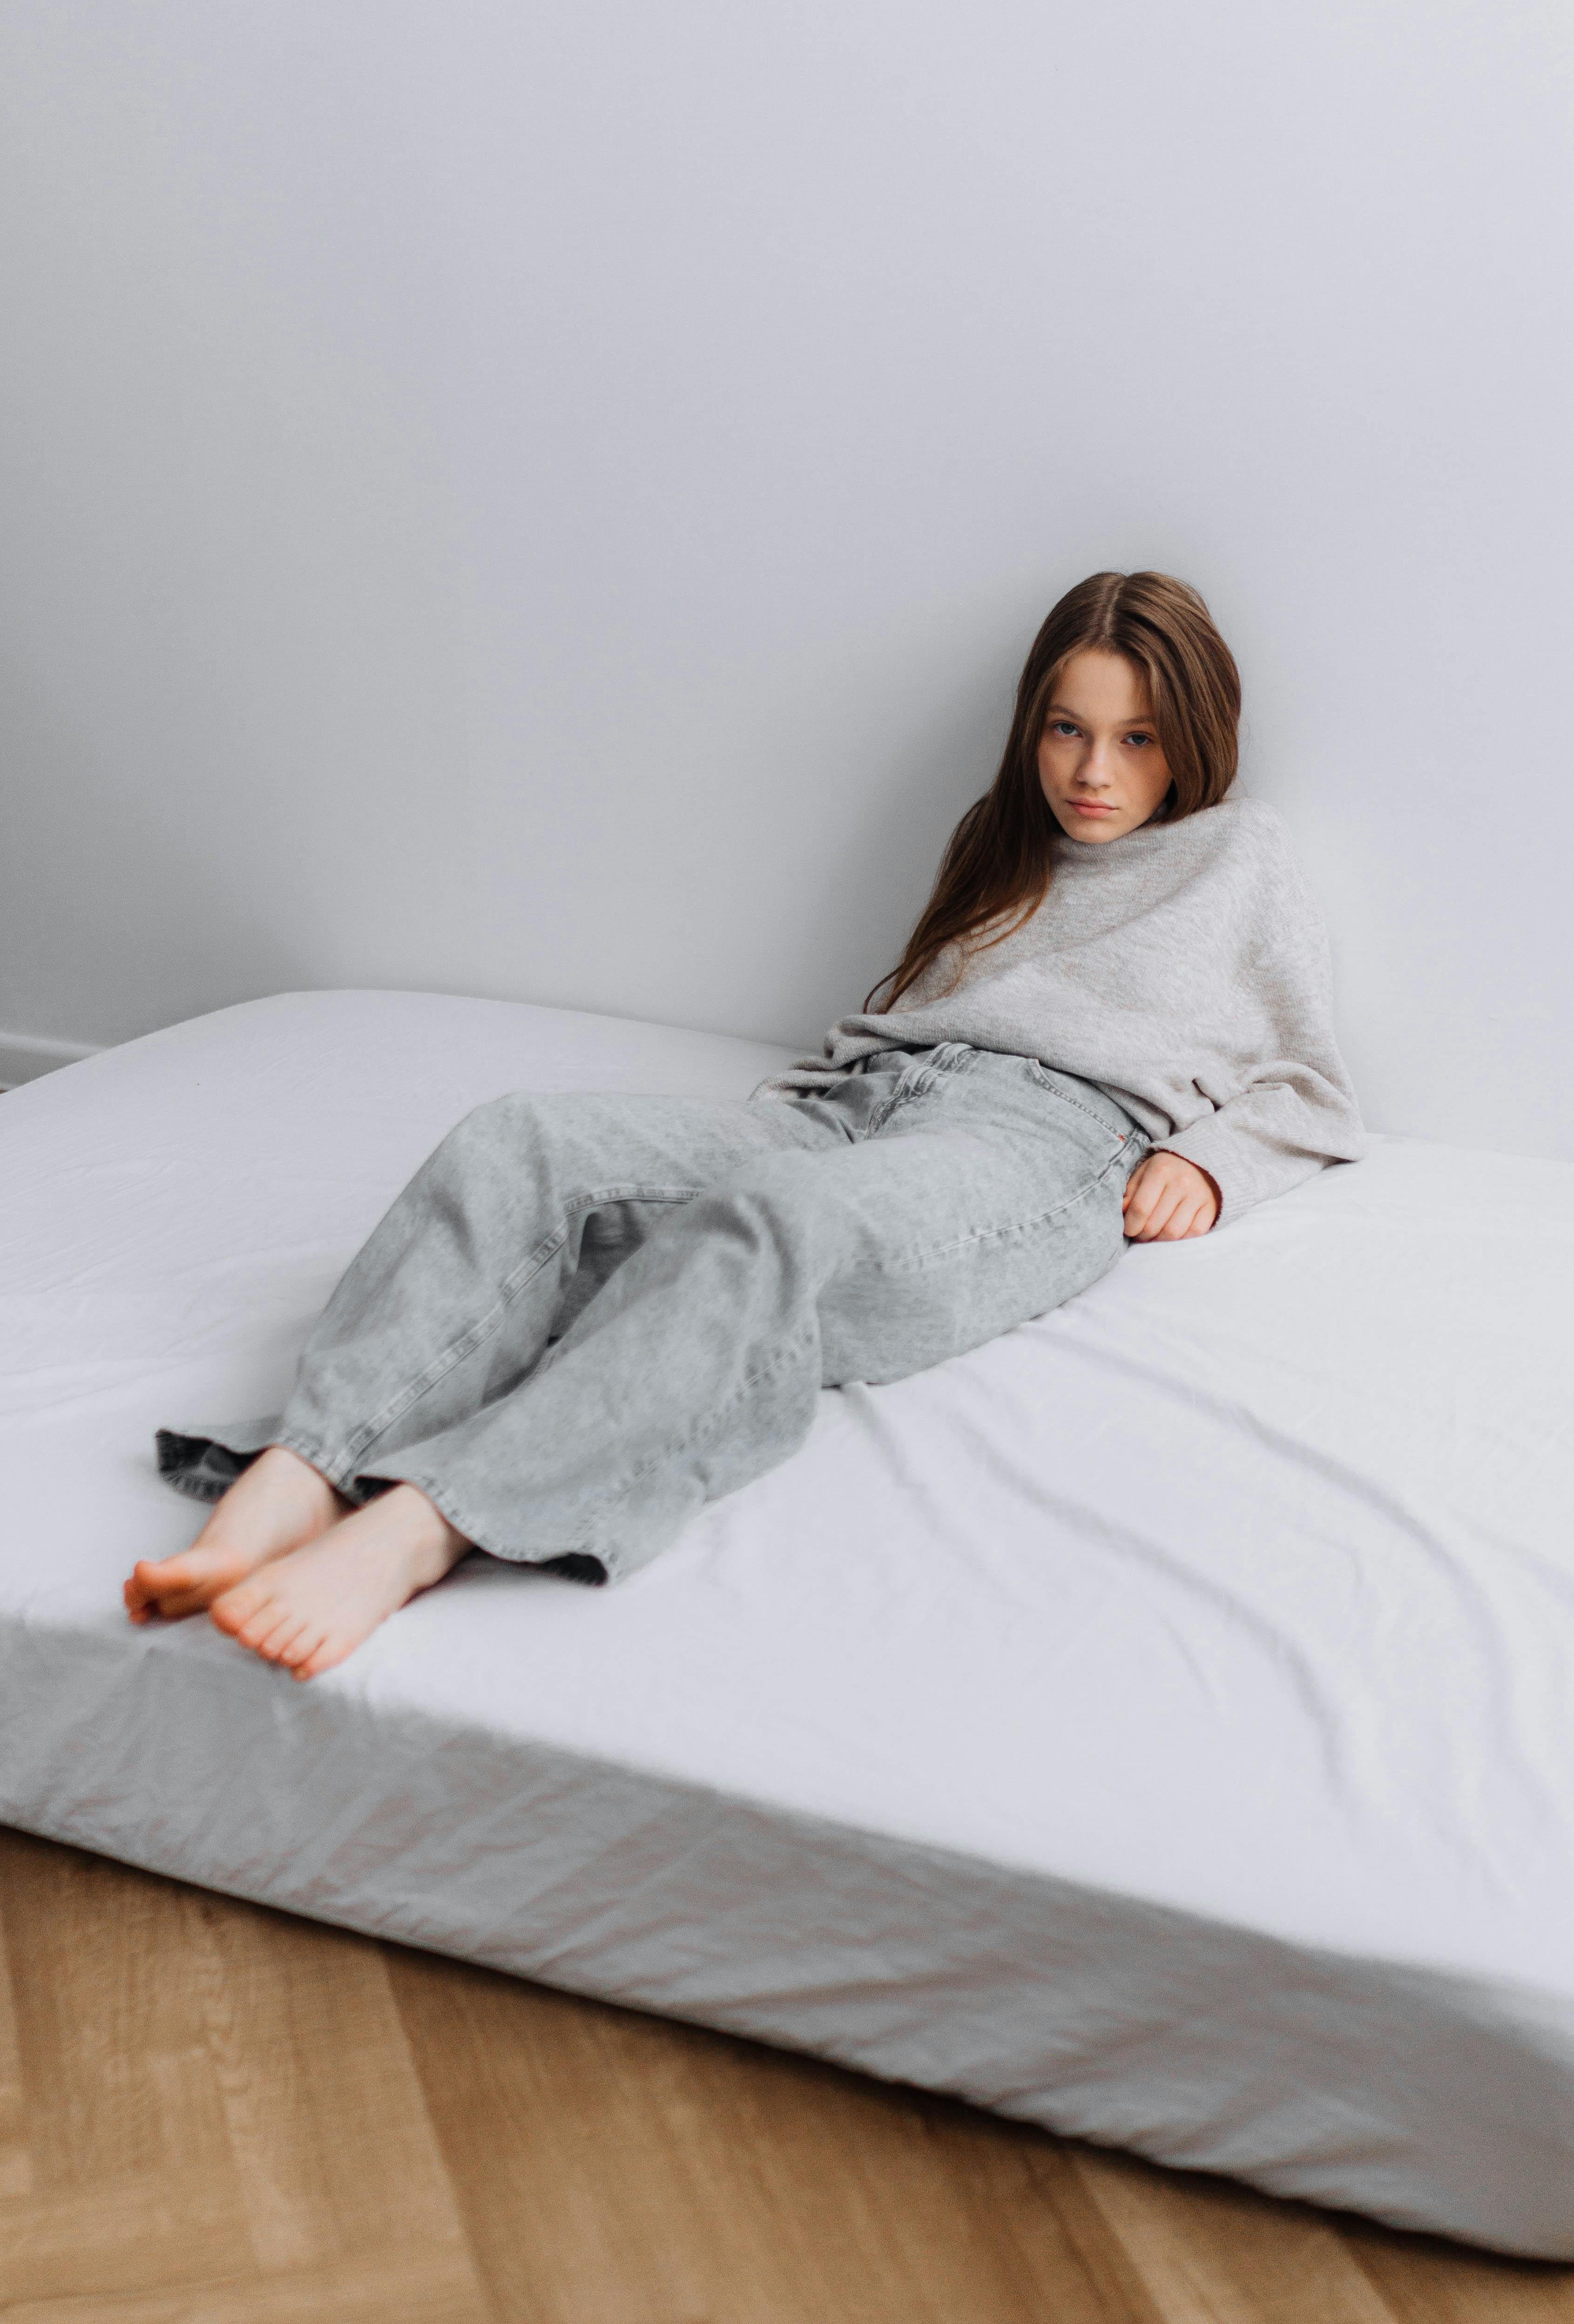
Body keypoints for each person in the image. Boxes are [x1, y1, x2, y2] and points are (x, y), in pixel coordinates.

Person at [125, 570, 1366, 1679]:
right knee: (521, 1140)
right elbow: (906, 1016)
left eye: (1137, 739)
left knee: (776, 1221)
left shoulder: (1239, 860)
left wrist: (1207, 1163)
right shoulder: (1000, 846)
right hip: (858, 1104)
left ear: (1192, 737)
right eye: (1067, 729)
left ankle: (423, 1524)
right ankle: (303, 1466)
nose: (1094, 773)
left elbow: (1312, 1084)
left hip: (1043, 1143)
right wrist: (785, 1124)